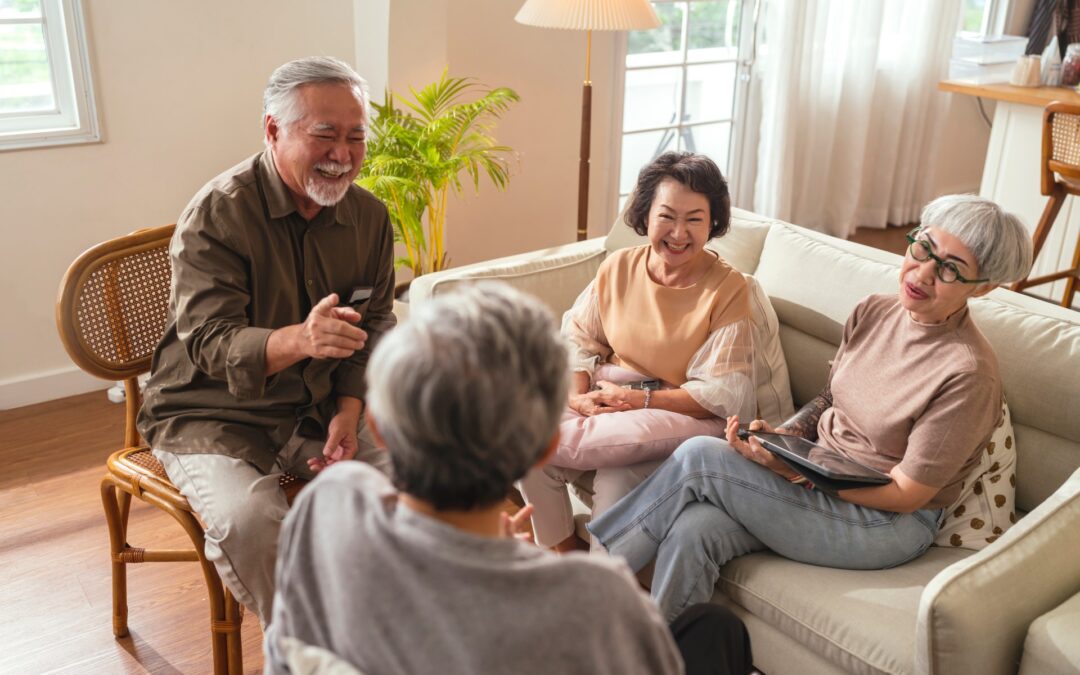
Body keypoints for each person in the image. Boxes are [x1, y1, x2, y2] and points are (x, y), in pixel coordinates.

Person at [587, 194, 1034, 622]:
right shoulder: (874, 311)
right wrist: (782, 442)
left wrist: (799, 474)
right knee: (694, 530)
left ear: (985, 287)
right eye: (923, 249)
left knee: (699, 457)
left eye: (951, 270)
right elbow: (828, 399)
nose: (922, 274)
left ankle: (580, 594)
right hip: (822, 474)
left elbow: (906, 495)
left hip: (885, 523)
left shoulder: (968, 373)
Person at [265, 282, 692, 675]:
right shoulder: (599, 603)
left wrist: (472, 550)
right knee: (713, 629)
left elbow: (284, 654)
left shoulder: (327, 507)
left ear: (378, 426)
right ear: (544, 447)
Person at [136, 56, 395, 626]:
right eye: (324, 134)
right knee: (251, 520)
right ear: (273, 130)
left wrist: (349, 412)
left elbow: (374, 327)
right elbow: (208, 342)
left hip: (321, 408)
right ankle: (307, 651)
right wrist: (302, 339)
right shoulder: (217, 214)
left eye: (356, 137)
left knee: (416, 481)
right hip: (210, 414)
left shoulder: (370, 218)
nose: (344, 154)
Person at [520, 152, 756, 552]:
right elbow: (579, 338)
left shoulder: (729, 291)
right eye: (667, 216)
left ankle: (602, 584)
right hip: (612, 393)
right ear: (645, 214)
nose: (678, 233)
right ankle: (562, 557)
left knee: (616, 473)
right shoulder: (619, 267)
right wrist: (577, 396)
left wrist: (635, 400)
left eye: (694, 219)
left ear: (713, 223)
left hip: (680, 412)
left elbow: (724, 394)